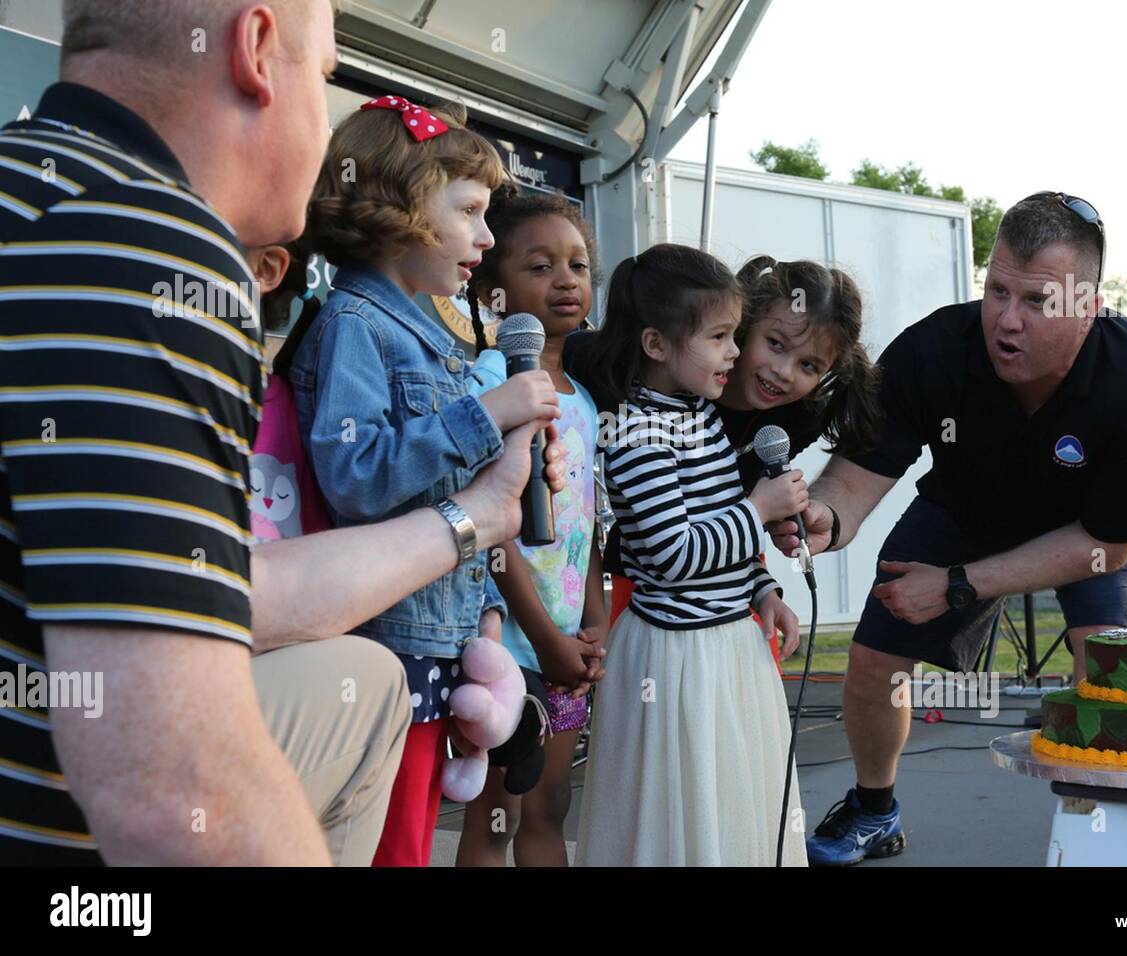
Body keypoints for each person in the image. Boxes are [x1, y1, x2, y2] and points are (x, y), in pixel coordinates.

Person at [0, 0, 563, 866]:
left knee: (366, 682)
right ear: (259, 50)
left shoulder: (40, 188)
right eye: (328, 75)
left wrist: (482, 515)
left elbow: (218, 588)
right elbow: (169, 777)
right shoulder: (142, 238)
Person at [768, 192, 1127, 866]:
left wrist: (960, 585)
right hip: (965, 509)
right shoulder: (934, 349)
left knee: (1103, 657)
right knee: (875, 659)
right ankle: (876, 810)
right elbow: (853, 479)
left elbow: (1108, 545)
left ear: (1090, 305)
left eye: (1037, 302)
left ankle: (1099, 827)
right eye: (996, 290)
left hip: (1083, 535)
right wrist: (824, 517)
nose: (1007, 320)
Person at [289, 96, 566, 867]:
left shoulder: (423, 333)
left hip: (434, 638)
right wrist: (486, 415)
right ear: (403, 203)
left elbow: (430, 481)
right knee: (390, 848)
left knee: (408, 840)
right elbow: (357, 479)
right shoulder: (353, 323)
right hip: (387, 643)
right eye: (471, 211)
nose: (486, 236)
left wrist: (509, 466)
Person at [572, 244, 809, 866]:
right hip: (676, 658)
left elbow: (719, 542)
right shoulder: (635, 432)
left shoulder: (700, 417)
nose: (736, 351)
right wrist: (758, 509)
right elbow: (673, 553)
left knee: (735, 806)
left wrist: (763, 593)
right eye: (720, 336)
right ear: (656, 344)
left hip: (728, 643)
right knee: (683, 814)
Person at [565, 255, 883, 664]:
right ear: (744, 325)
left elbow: (735, 503)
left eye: (808, 365)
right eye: (775, 344)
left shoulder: (800, 414)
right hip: (653, 583)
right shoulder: (645, 385)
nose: (784, 372)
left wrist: (764, 586)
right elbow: (671, 547)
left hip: (733, 568)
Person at [456, 189, 608, 866]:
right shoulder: (488, 383)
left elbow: (587, 524)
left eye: (577, 265)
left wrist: (593, 622)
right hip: (509, 643)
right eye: (540, 266)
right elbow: (489, 530)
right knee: (497, 813)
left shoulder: (587, 400)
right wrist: (544, 640)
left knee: (550, 806)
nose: (566, 280)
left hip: (565, 645)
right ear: (493, 290)